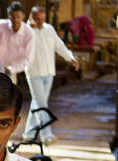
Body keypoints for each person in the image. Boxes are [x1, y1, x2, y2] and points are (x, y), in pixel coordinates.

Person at [25, 6, 80, 143]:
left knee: (38, 102)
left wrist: (71, 58)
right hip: (34, 72)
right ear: (32, 17)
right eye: (37, 19)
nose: (39, 22)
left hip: (49, 72)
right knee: (41, 103)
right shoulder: (26, 31)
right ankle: (46, 135)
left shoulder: (49, 29)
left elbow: (59, 45)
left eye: (42, 19)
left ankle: (29, 133)